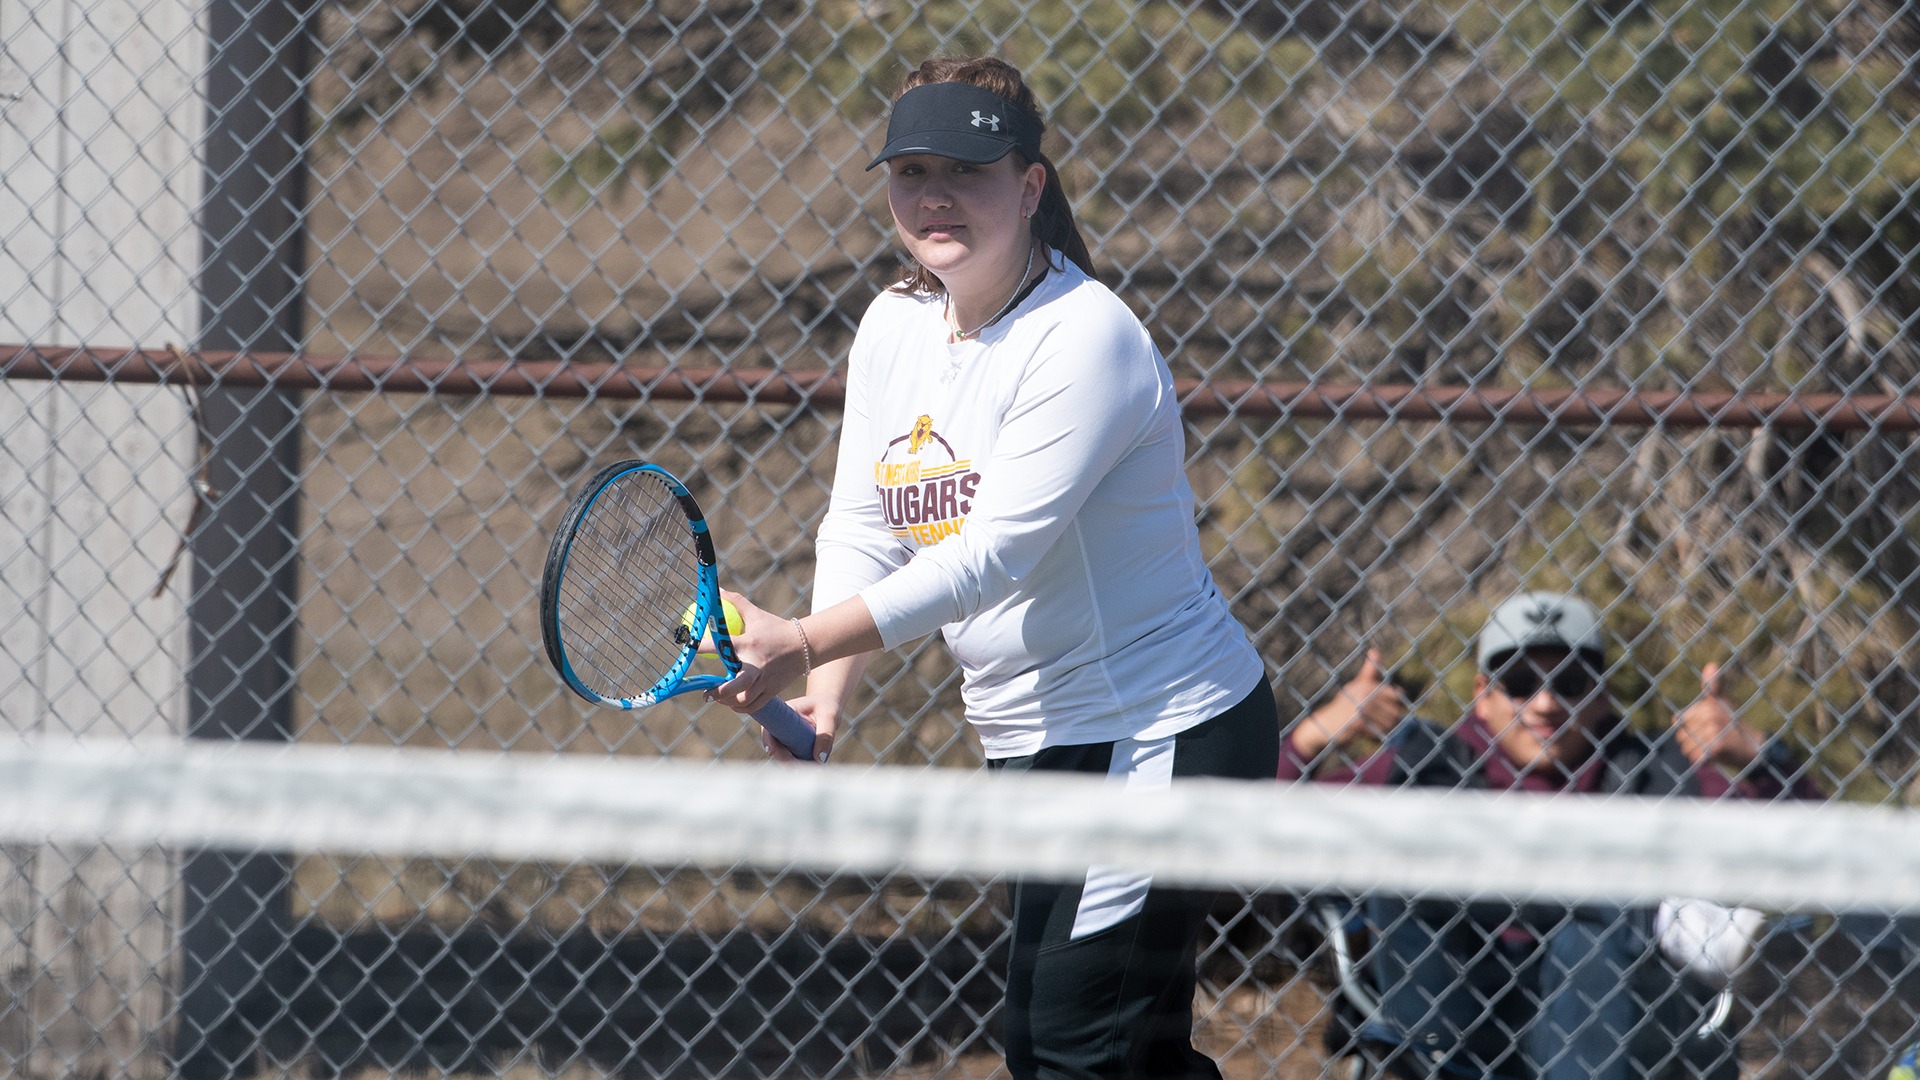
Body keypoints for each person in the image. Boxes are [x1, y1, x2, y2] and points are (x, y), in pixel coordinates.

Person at [705, 56, 1278, 1079]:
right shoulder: (893, 325)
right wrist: (824, 696)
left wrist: (799, 642)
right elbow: (864, 523)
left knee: (1078, 1049)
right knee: (1062, 1046)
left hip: (1158, 729)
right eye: (911, 169)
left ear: (1029, 187)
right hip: (1040, 738)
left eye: (967, 171)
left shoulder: (1085, 337)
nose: (934, 195)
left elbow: (991, 555)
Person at [1280, 591, 1820, 1079]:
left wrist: (1758, 757)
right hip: (1449, 1000)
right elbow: (1252, 824)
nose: (1544, 703)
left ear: (1601, 695)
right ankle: (1656, 914)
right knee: (1411, 840)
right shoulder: (1426, 764)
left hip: (1608, 1008)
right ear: (1481, 693)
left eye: (1568, 682)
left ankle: (1630, 911)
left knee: (1589, 937)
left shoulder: (1650, 768)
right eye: (1518, 682)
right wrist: (1312, 736)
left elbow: (1825, 849)